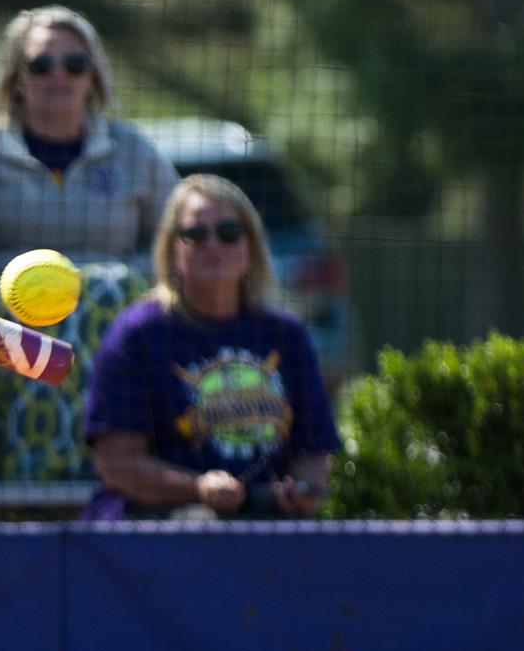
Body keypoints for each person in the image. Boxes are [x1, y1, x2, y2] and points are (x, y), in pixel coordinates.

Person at [0, 6, 178, 482]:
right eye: (40, 64)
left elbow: (176, 236)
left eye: (75, 64)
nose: (59, 76)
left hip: (111, 326)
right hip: (1, 327)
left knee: (110, 290)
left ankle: (111, 471)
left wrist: (106, 283)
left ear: (94, 77)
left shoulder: (135, 151)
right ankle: (21, 480)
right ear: (16, 78)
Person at [82, 174, 340, 519]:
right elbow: (116, 464)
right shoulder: (138, 334)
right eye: (195, 234)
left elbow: (314, 452)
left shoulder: (286, 335)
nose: (213, 245)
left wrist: (305, 490)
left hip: (259, 519)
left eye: (229, 233)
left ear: (251, 248)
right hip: (154, 523)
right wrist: (198, 487)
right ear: (172, 250)